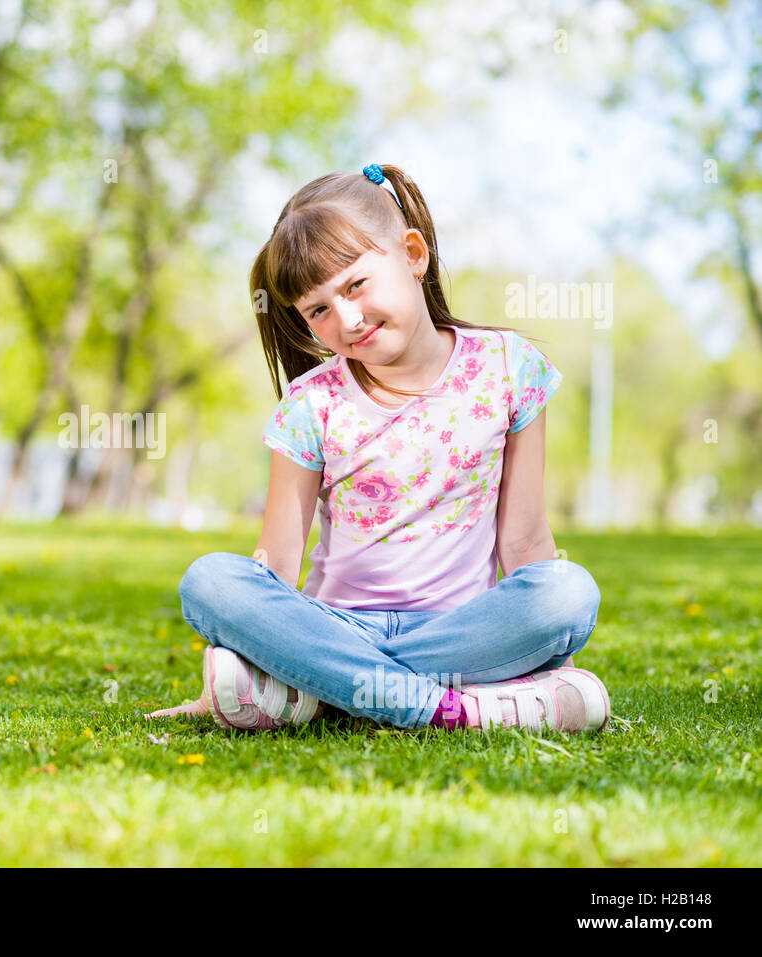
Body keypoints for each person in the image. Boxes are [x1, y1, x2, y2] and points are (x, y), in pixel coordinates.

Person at [146, 163, 609, 735]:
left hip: (460, 631)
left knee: (567, 592)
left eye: (355, 285)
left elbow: (526, 540)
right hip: (339, 628)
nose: (346, 318)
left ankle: (319, 690)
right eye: (317, 310)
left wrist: (548, 652)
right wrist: (259, 628)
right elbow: (276, 564)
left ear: (413, 254)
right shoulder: (311, 404)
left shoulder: (508, 369)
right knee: (211, 581)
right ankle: (445, 708)